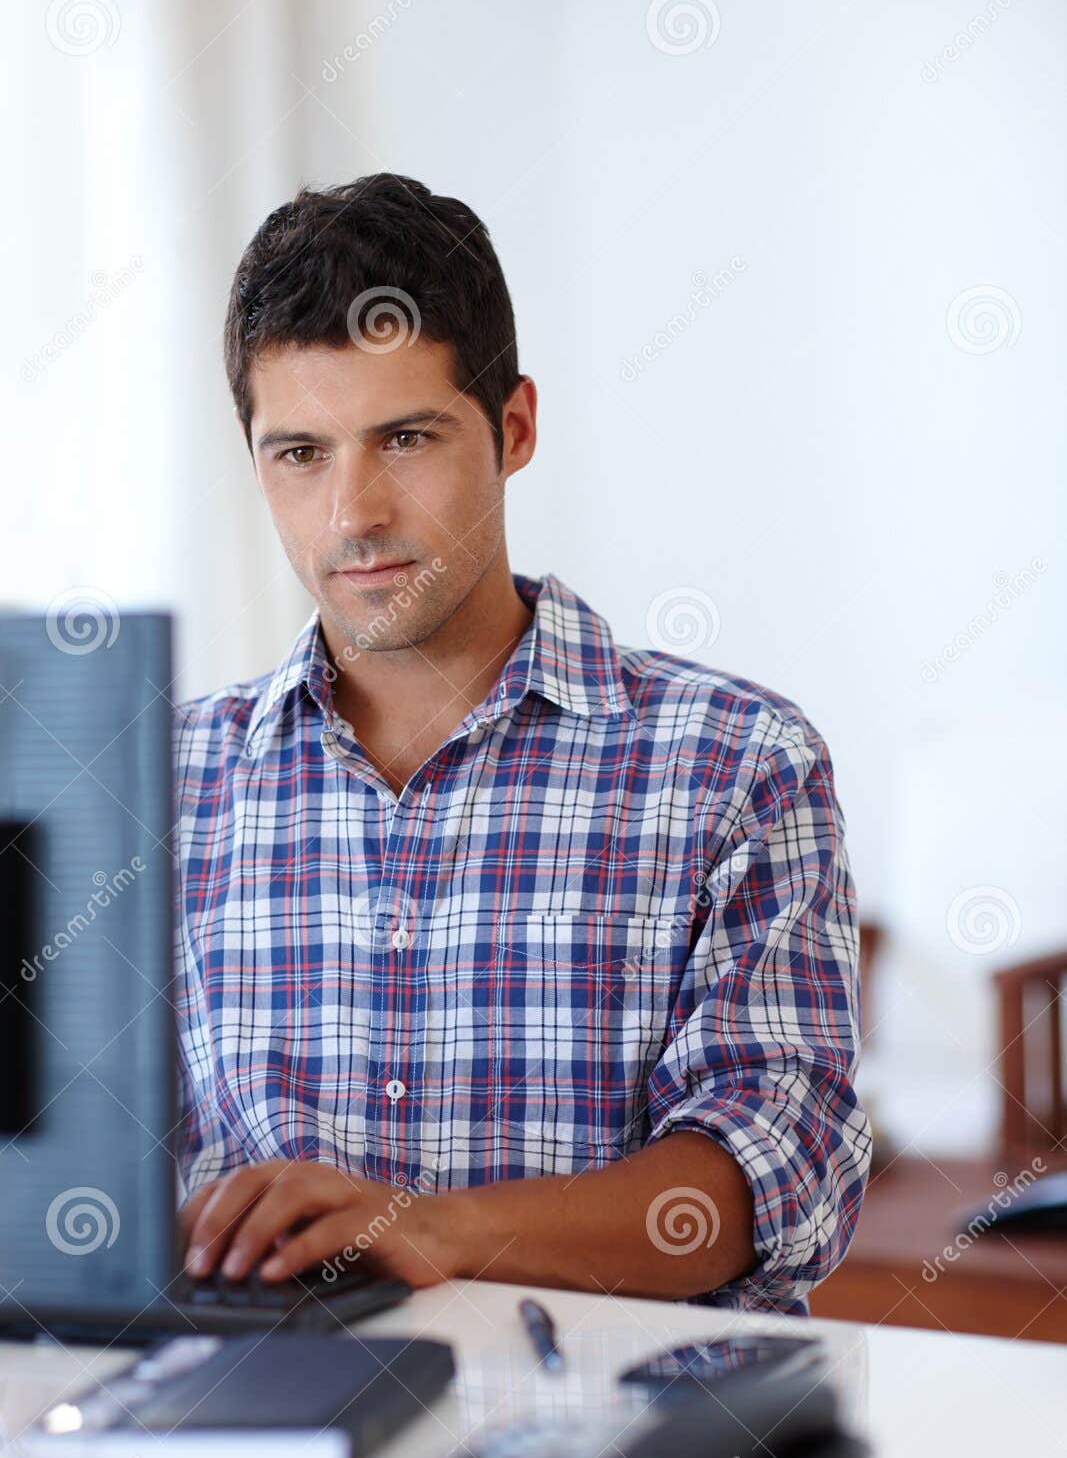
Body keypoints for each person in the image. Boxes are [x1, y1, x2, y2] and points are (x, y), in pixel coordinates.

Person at [176, 173, 870, 1314]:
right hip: (268, 1446)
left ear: (512, 429)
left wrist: (430, 1233)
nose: (352, 513)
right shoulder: (175, 781)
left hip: (627, 1455)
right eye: (299, 453)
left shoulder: (736, 764)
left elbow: (775, 1171)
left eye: (403, 437)